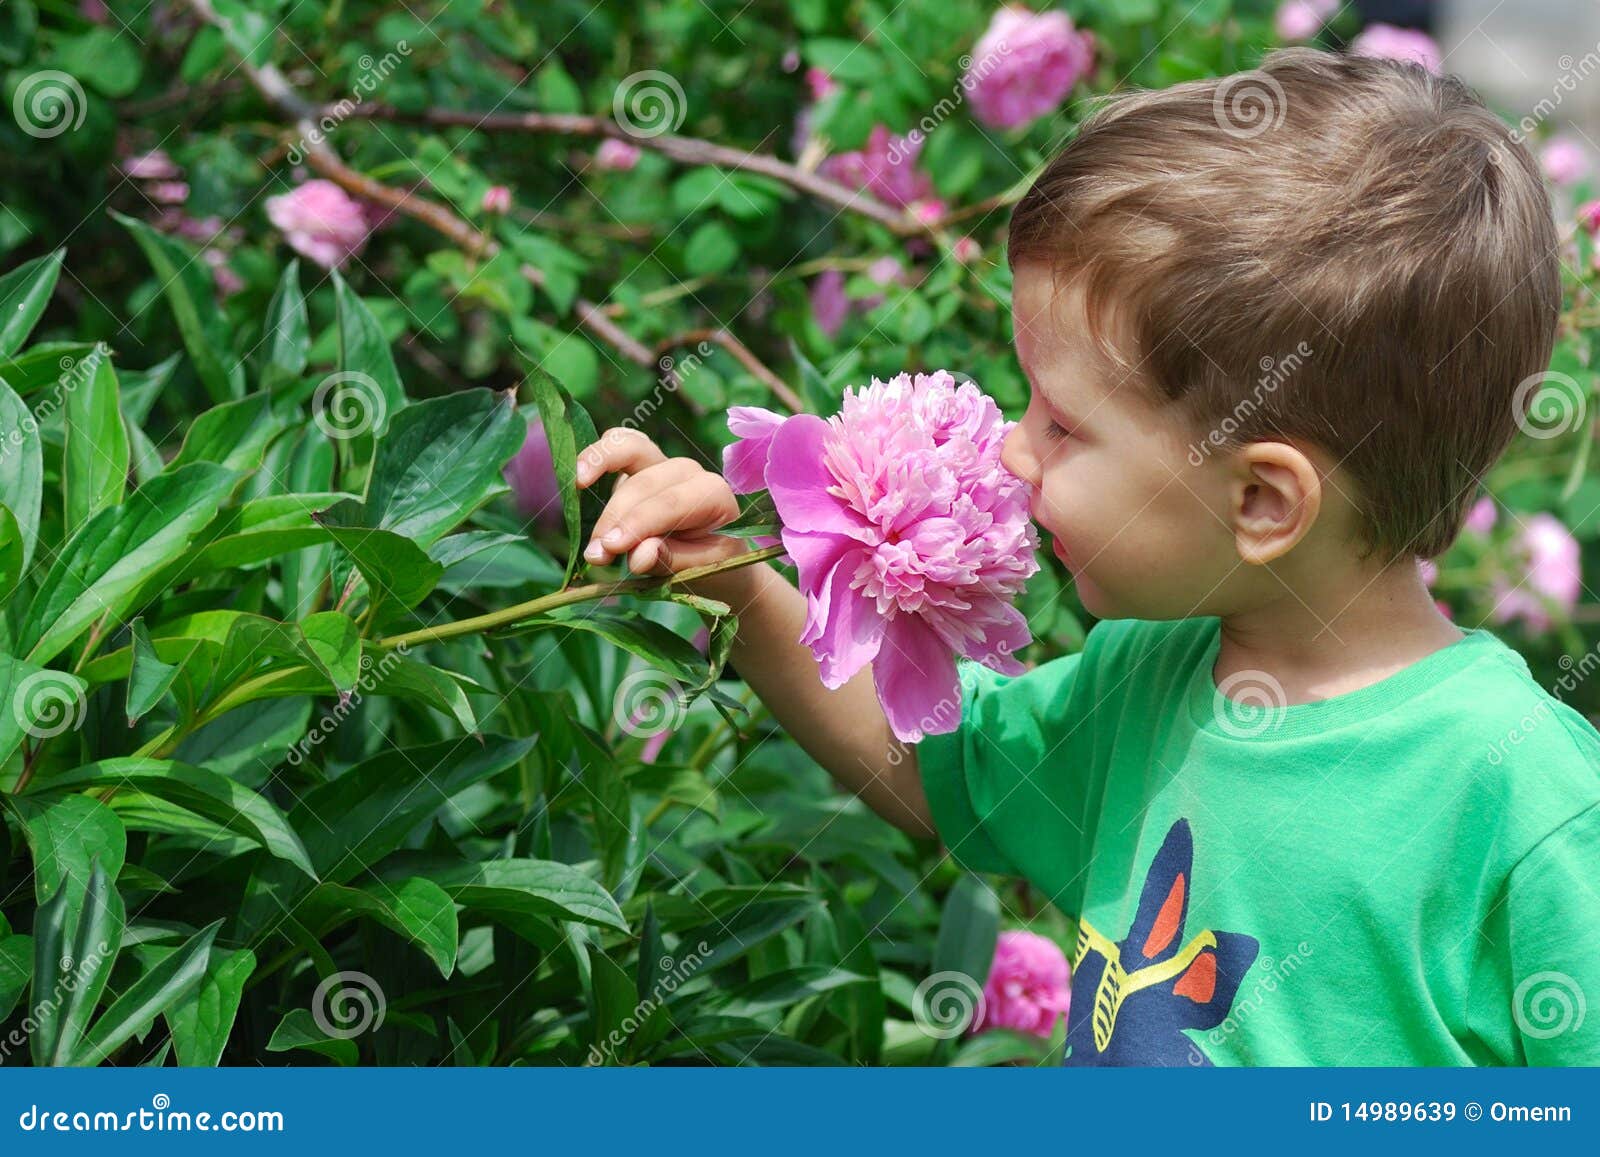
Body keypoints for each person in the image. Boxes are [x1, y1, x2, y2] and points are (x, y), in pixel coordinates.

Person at [571, 47, 1600, 1066]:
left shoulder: (1524, 799)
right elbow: (940, 769)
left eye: (1062, 425)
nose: (1014, 449)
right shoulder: (1150, 673)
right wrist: (735, 583)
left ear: (1259, 498)